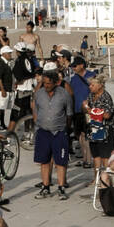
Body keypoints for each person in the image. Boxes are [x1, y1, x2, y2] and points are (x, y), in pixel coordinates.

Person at [31, 66, 72, 200]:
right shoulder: (39, 94)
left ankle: (61, 188)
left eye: (49, 83)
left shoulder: (64, 94)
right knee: (44, 161)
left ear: (56, 82)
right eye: (44, 83)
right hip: (43, 131)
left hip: (59, 132)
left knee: (60, 162)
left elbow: (69, 113)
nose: (46, 85)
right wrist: (37, 121)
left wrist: (66, 129)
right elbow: (35, 109)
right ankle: (45, 187)